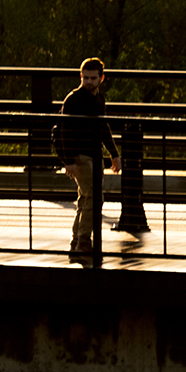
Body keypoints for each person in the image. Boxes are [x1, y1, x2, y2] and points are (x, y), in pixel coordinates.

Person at [59, 57, 121, 264]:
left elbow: (103, 128)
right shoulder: (74, 100)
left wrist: (113, 153)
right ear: (80, 76)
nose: (88, 82)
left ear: (101, 78)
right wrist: (68, 161)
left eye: (93, 78)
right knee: (94, 198)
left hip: (93, 155)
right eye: (85, 78)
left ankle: (77, 241)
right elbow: (64, 131)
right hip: (81, 156)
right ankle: (83, 241)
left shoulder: (98, 99)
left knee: (86, 198)